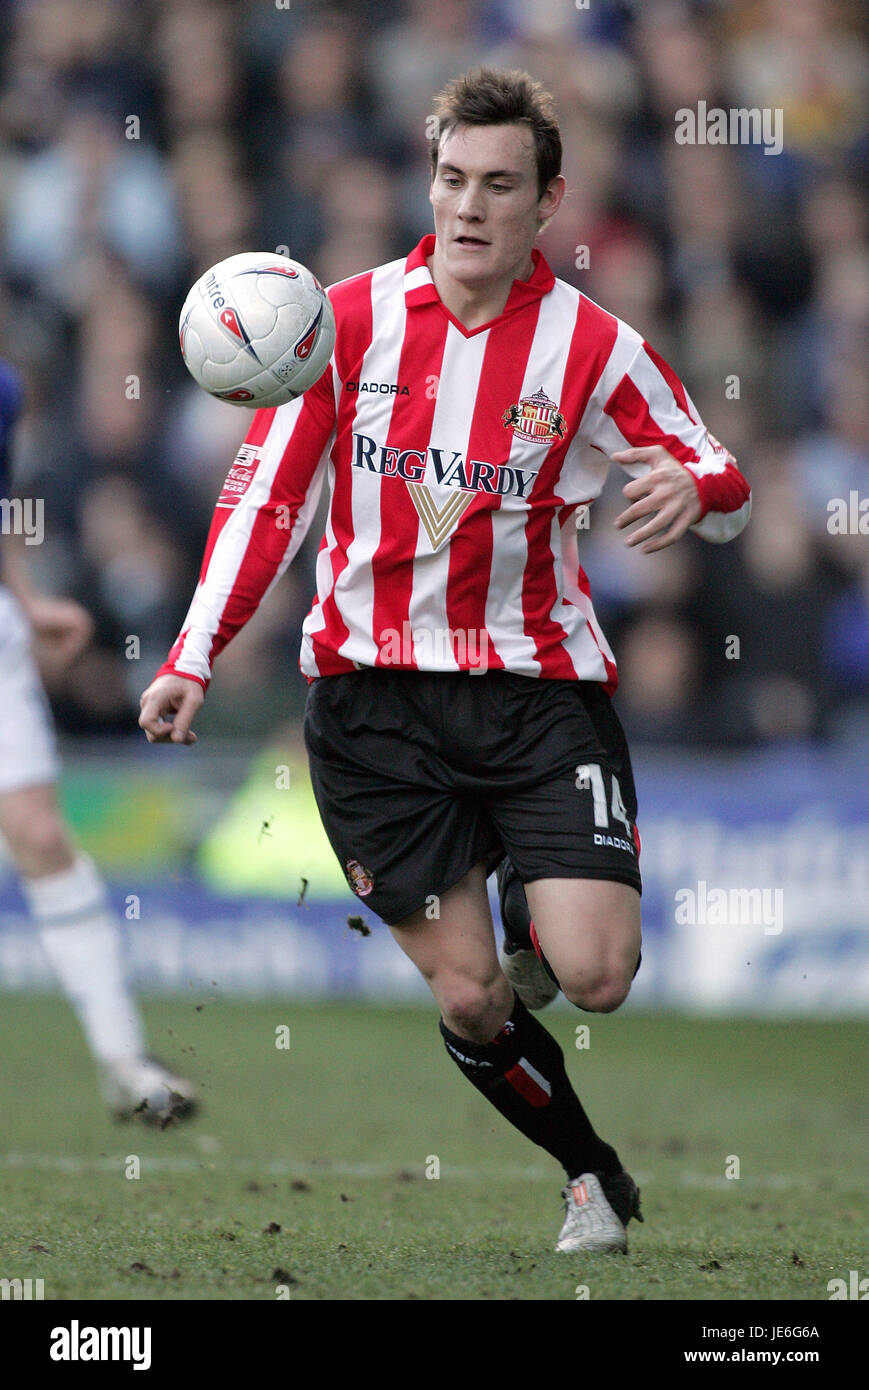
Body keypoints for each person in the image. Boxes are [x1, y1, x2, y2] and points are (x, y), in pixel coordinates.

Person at [139, 69, 750, 1249]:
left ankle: (531, 899)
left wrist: (698, 489)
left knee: (597, 975)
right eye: (451, 178)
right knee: (471, 996)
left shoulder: (593, 347)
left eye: (498, 185)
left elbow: (719, 472)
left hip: (537, 695)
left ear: (547, 201)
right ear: (430, 181)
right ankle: (589, 1173)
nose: (468, 205)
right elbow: (268, 501)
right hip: (371, 708)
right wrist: (192, 657)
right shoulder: (340, 323)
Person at [0, 359, 196, 1126]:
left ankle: (122, 1061)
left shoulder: (7, 389)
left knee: (41, 834)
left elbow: (5, 507)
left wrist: (27, 600)